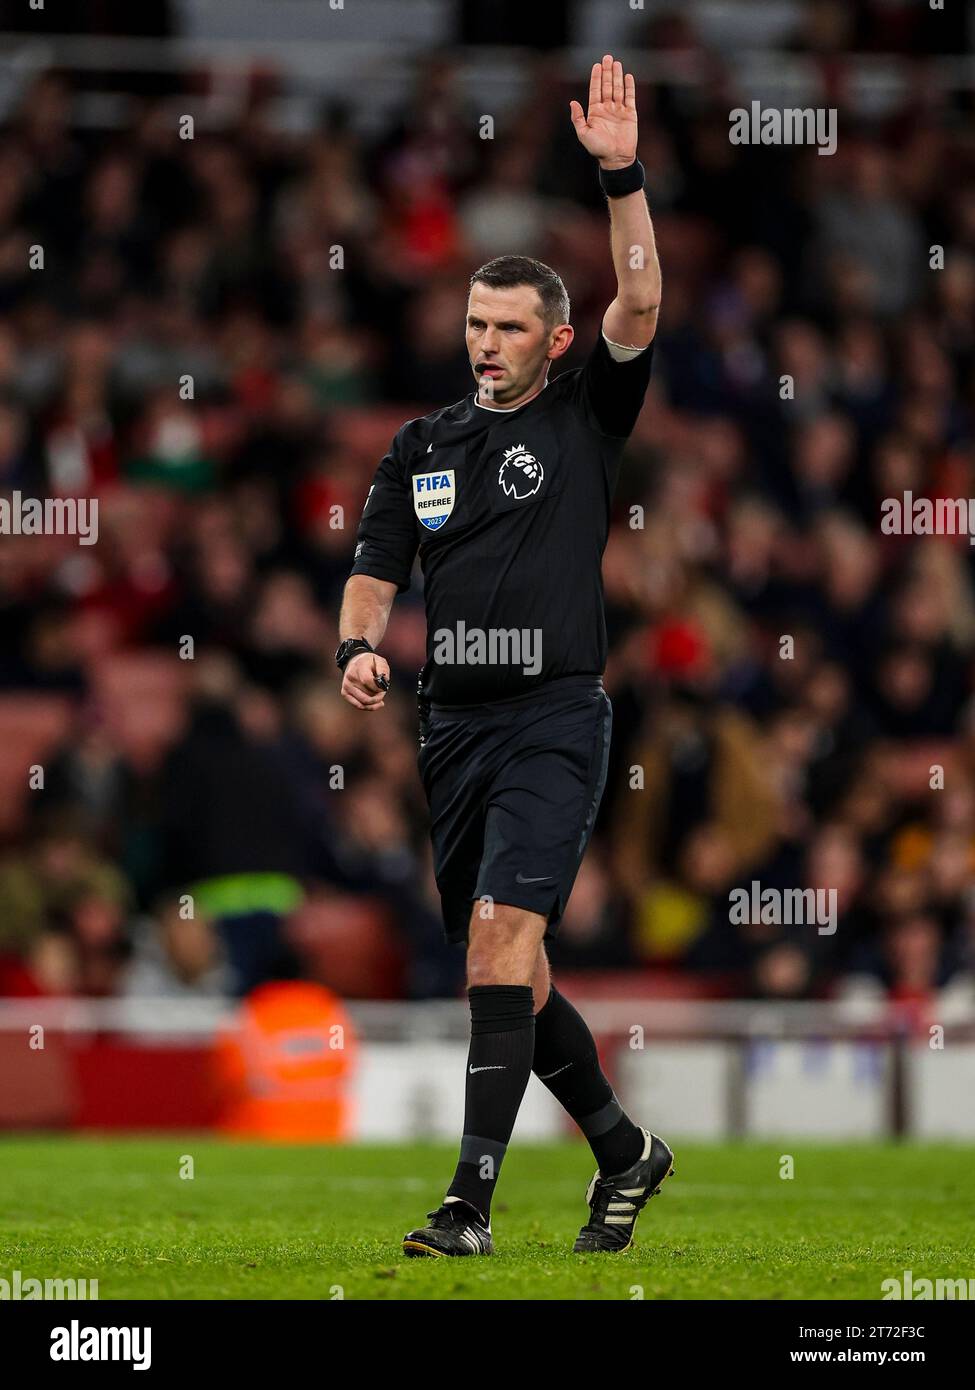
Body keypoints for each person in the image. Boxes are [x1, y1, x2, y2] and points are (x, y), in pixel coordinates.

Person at [336, 56, 673, 1256]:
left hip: (553, 716)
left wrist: (621, 174)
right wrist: (357, 645)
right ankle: (627, 1152)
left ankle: (467, 1205)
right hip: (452, 729)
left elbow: (642, 299)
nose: (486, 344)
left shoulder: (588, 414)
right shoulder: (420, 445)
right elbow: (375, 564)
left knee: (498, 944)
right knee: (513, 975)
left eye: (509, 326)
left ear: (554, 337)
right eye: (475, 323)